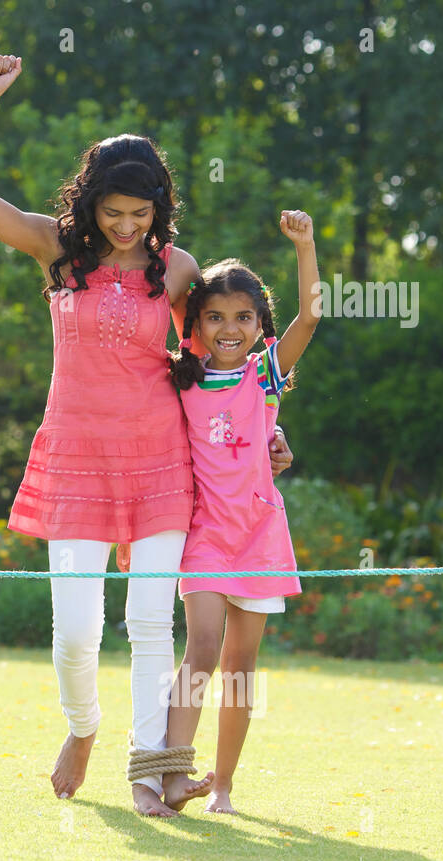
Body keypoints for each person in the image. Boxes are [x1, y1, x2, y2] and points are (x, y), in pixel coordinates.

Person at [0, 54, 294, 816]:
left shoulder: (177, 271)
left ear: (159, 208)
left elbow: (221, 363)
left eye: (142, 214)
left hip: (161, 460)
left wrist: (265, 436)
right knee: (74, 632)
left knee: (146, 622)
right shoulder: (54, 250)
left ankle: (148, 769)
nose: (128, 226)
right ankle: (83, 727)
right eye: (115, 213)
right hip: (74, 457)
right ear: (91, 202)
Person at [161, 210, 321, 814]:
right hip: (204, 536)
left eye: (243, 317)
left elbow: (311, 315)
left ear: (259, 324)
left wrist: (305, 246)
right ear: (196, 323)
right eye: (216, 317)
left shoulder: (265, 375)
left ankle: (223, 786)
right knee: (199, 652)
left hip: (259, 536)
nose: (229, 328)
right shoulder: (181, 379)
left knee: (240, 667)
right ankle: (174, 773)